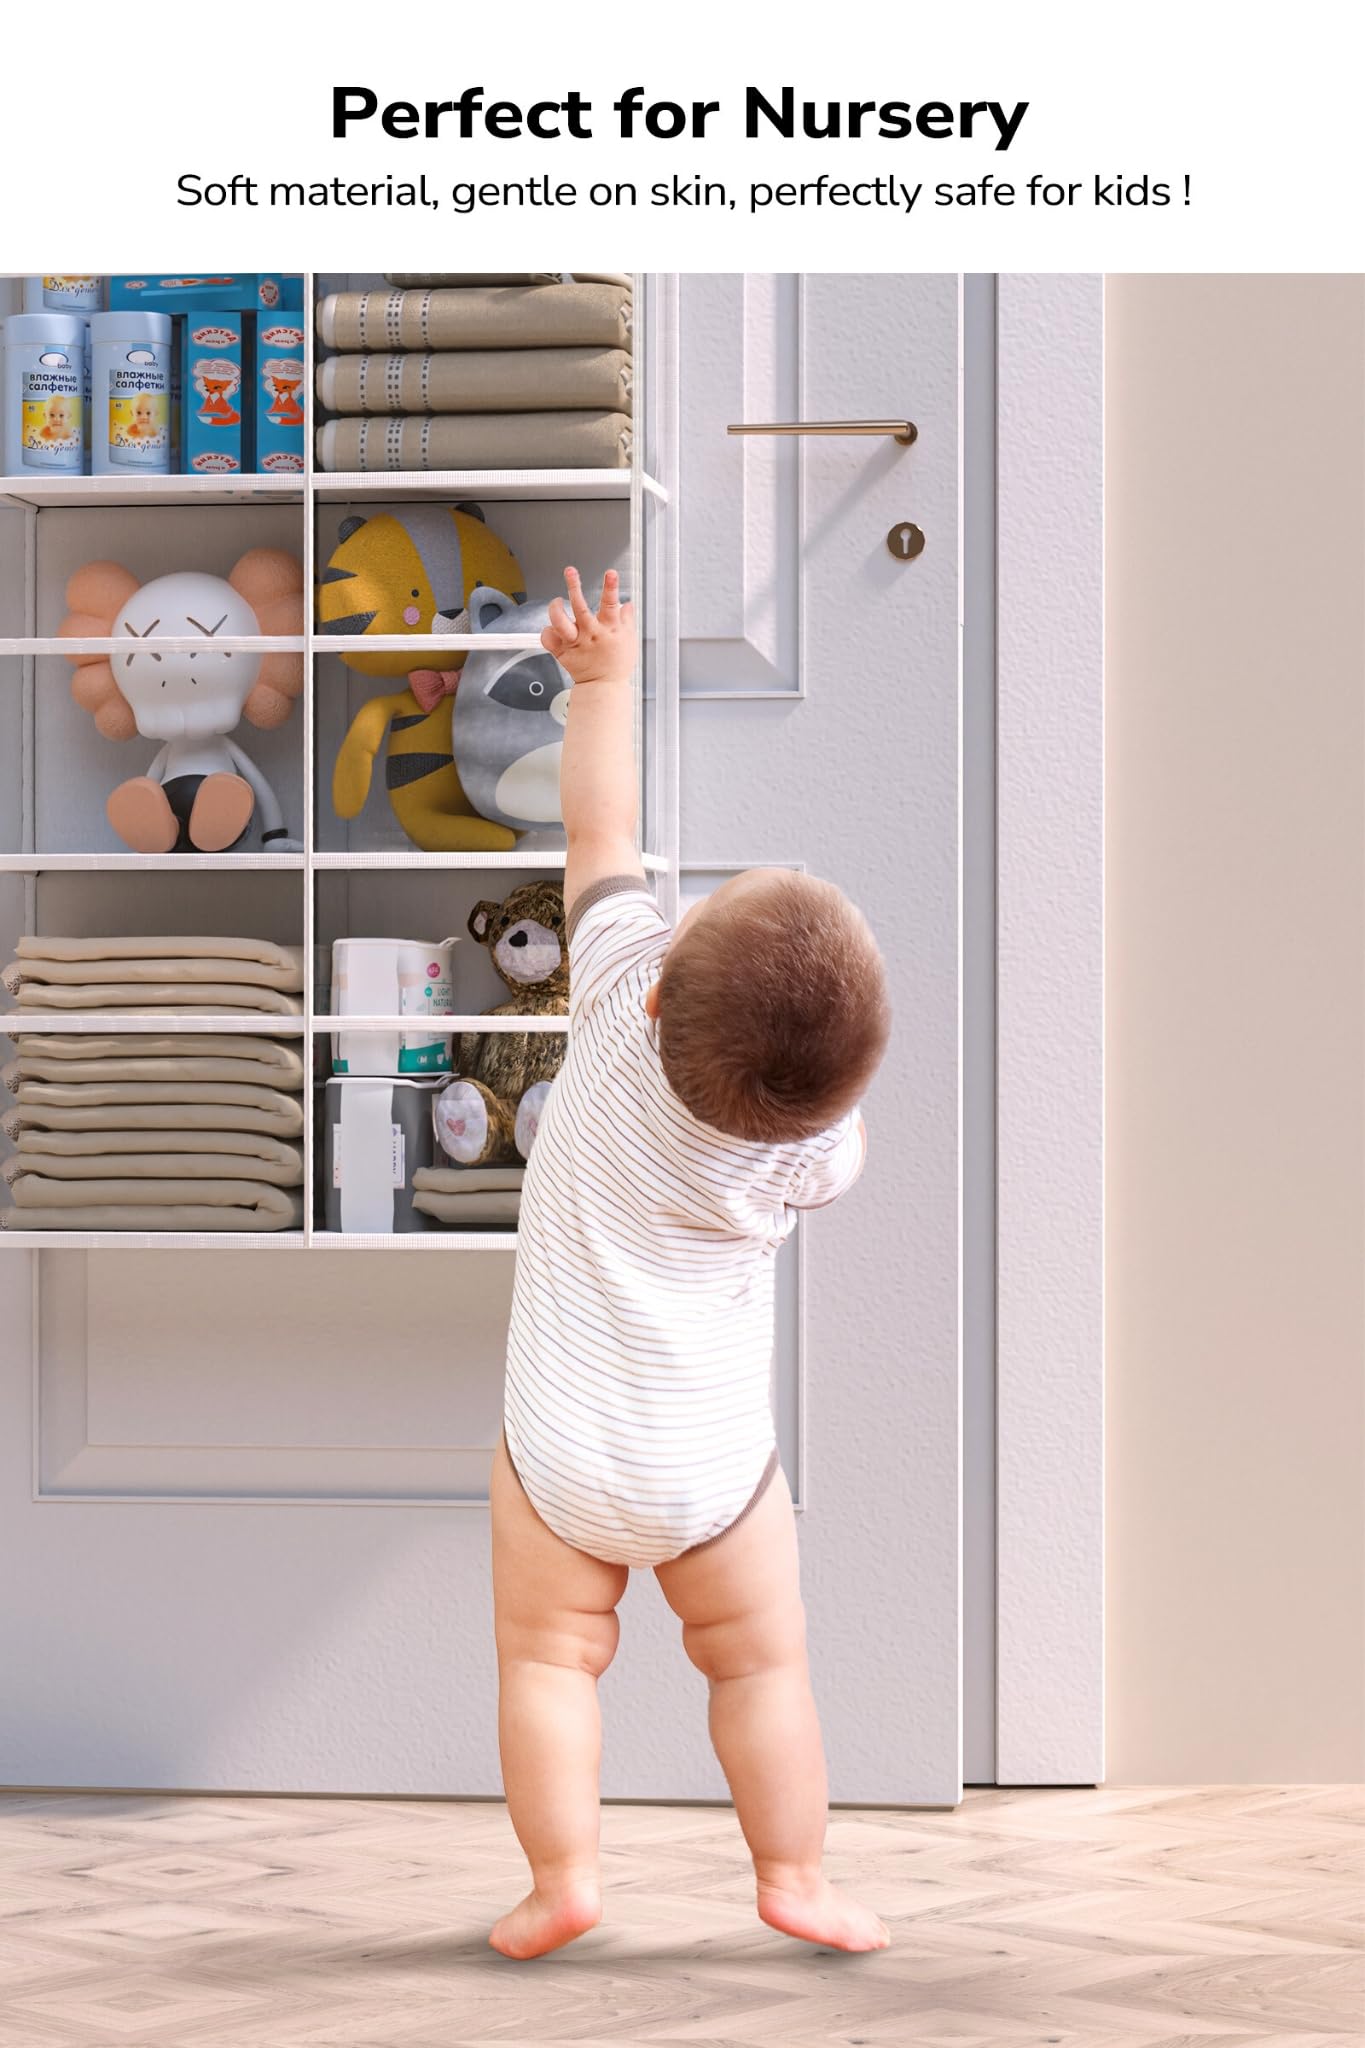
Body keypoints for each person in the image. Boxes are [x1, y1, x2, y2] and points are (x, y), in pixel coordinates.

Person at [490, 567, 891, 1960]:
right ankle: (791, 1876)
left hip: (560, 1456)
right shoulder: (800, 1154)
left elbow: (596, 829)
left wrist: (598, 682)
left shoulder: (609, 995)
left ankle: (562, 1881)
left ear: (657, 978)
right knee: (760, 1664)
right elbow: (830, 1150)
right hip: (712, 1475)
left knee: (550, 1663)